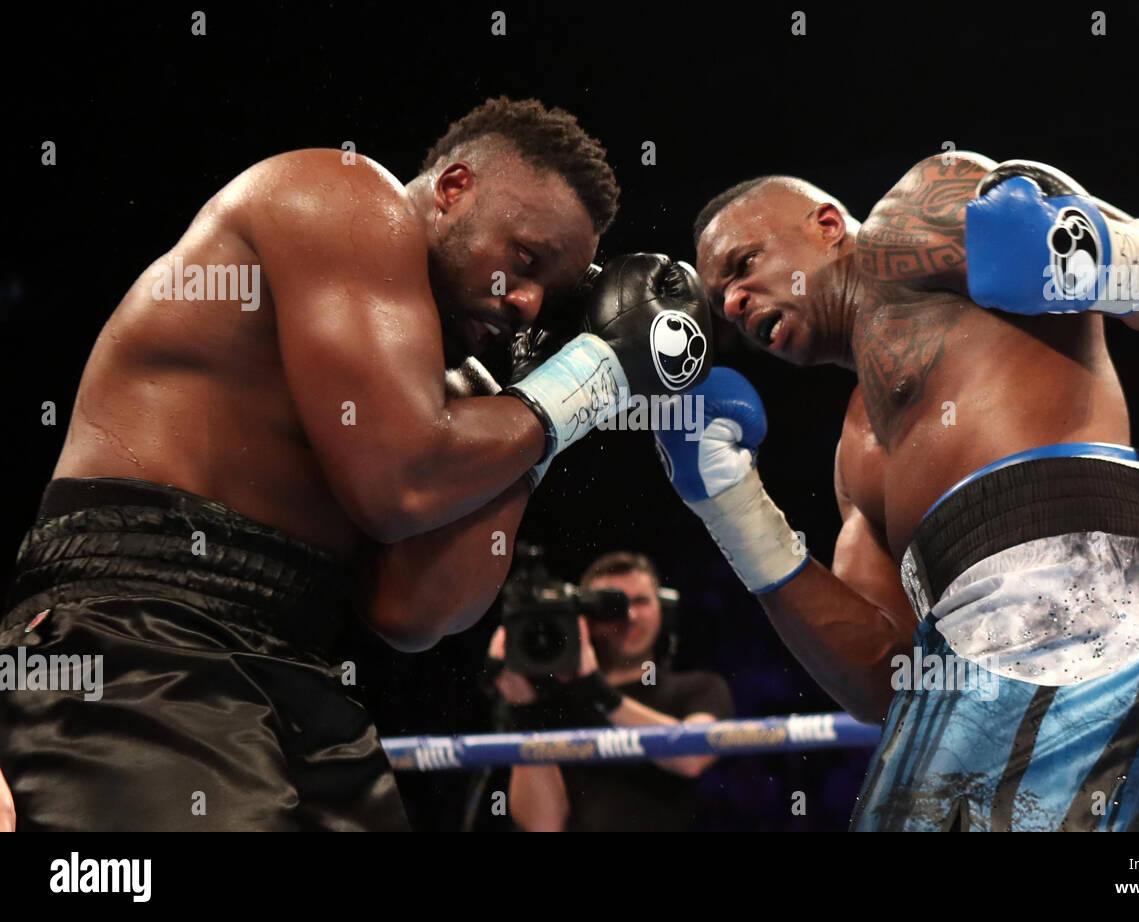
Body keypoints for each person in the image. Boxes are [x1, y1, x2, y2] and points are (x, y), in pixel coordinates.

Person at [0, 96, 711, 830]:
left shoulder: (452, 396)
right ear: (453, 188)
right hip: (136, 628)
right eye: (524, 261)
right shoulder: (339, 195)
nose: (528, 304)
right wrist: (584, 383)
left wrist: (547, 402)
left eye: (552, 296)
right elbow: (399, 486)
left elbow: (415, 612)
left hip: (297, 664)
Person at [655, 154, 1139, 830]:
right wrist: (731, 504)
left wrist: (1090, 252)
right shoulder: (856, 455)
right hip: (981, 642)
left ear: (828, 224)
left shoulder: (916, 216)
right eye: (721, 304)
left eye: (742, 266)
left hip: (1088, 581)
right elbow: (882, 683)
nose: (734, 304)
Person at [487, 552, 733, 831]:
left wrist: (596, 689)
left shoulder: (698, 688)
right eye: (611, 604)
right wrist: (524, 709)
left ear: (663, 609)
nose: (629, 615)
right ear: (584, 617)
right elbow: (541, 824)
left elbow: (691, 757)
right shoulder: (553, 703)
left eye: (641, 601)